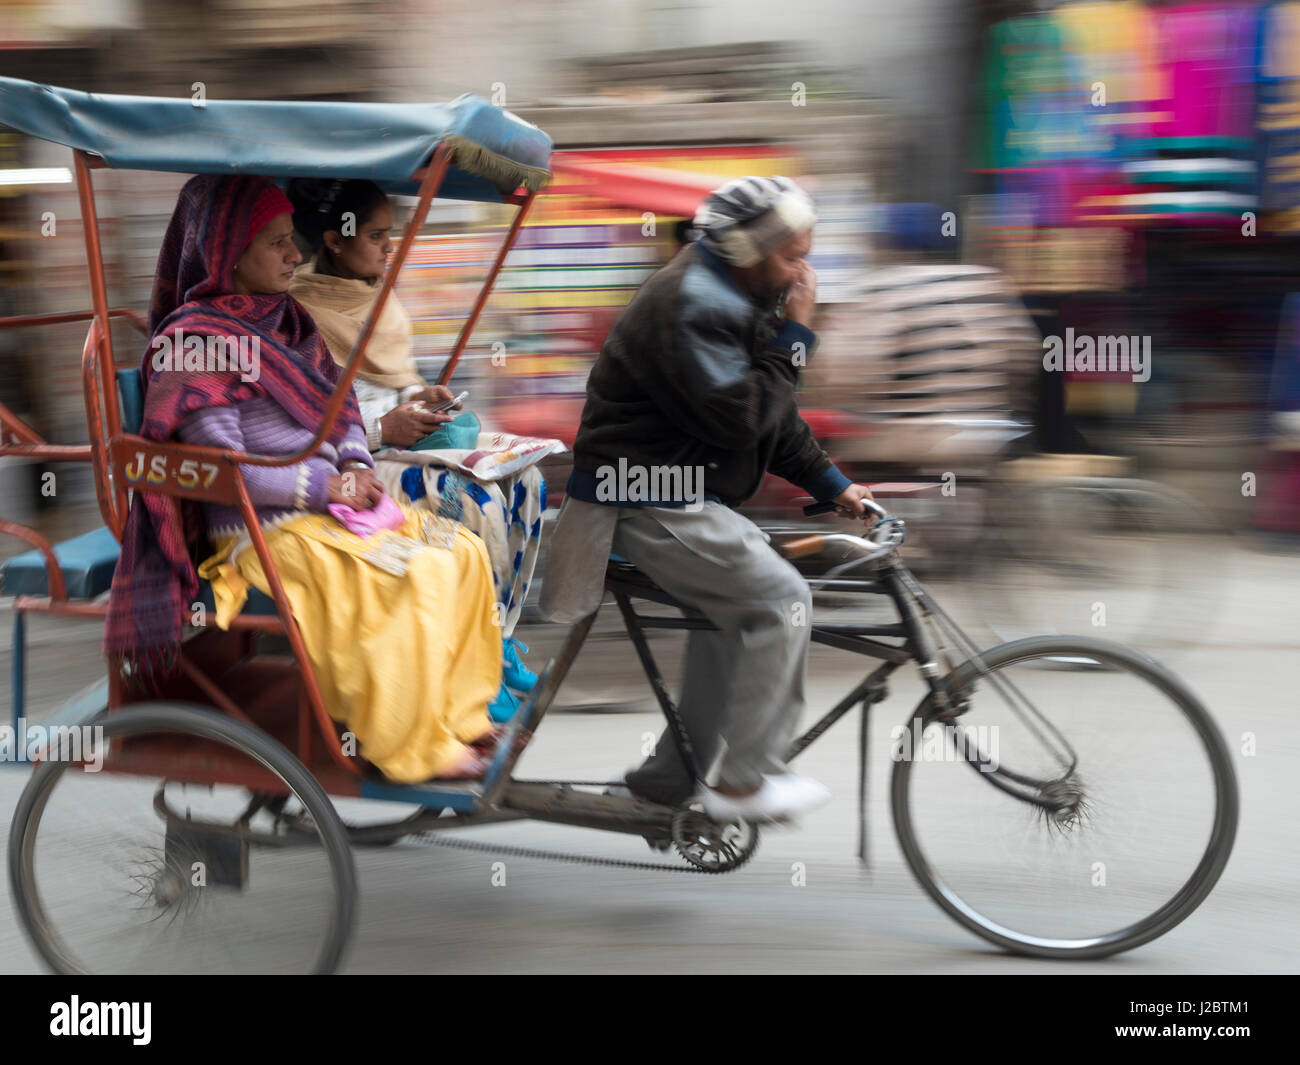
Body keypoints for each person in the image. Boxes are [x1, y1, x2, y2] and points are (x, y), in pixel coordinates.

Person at [104, 174, 503, 782]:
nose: (296, 254)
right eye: (276, 243)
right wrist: (324, 487)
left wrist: (357, 466)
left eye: (292, 240)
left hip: (329, 510)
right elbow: (224, 470)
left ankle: (458, 716)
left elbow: (339, 412)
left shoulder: (289, 321)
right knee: (410, 576)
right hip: (261, 528)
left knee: (460, 551)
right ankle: (408, 743)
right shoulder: (193, 343)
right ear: (227, 253)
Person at [542, 176, 877, 823]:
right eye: (790, 257)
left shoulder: (734, 294)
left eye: (807, 254)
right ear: (747, 251)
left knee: (739, 613)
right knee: (781, 602)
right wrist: (799, 335)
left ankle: (672, 778)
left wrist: (832, 485)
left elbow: (771, 416)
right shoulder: (693, 301)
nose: (803, 272)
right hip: (639, 497)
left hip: (680, 493)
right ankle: (747, 782)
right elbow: (742, 419)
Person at [286, 179, 549, 720]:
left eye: (393, 234)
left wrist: (419, 396)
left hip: (402, 440)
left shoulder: (375, 296)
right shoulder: (299, 315)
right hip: (356, 457)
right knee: (479, 503)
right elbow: (314, 423)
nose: (390, 247)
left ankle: (497, 639)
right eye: (378, 235)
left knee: (528, 483)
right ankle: (474, 666)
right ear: (335, 240)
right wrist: (384, 429)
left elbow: (388, 381)